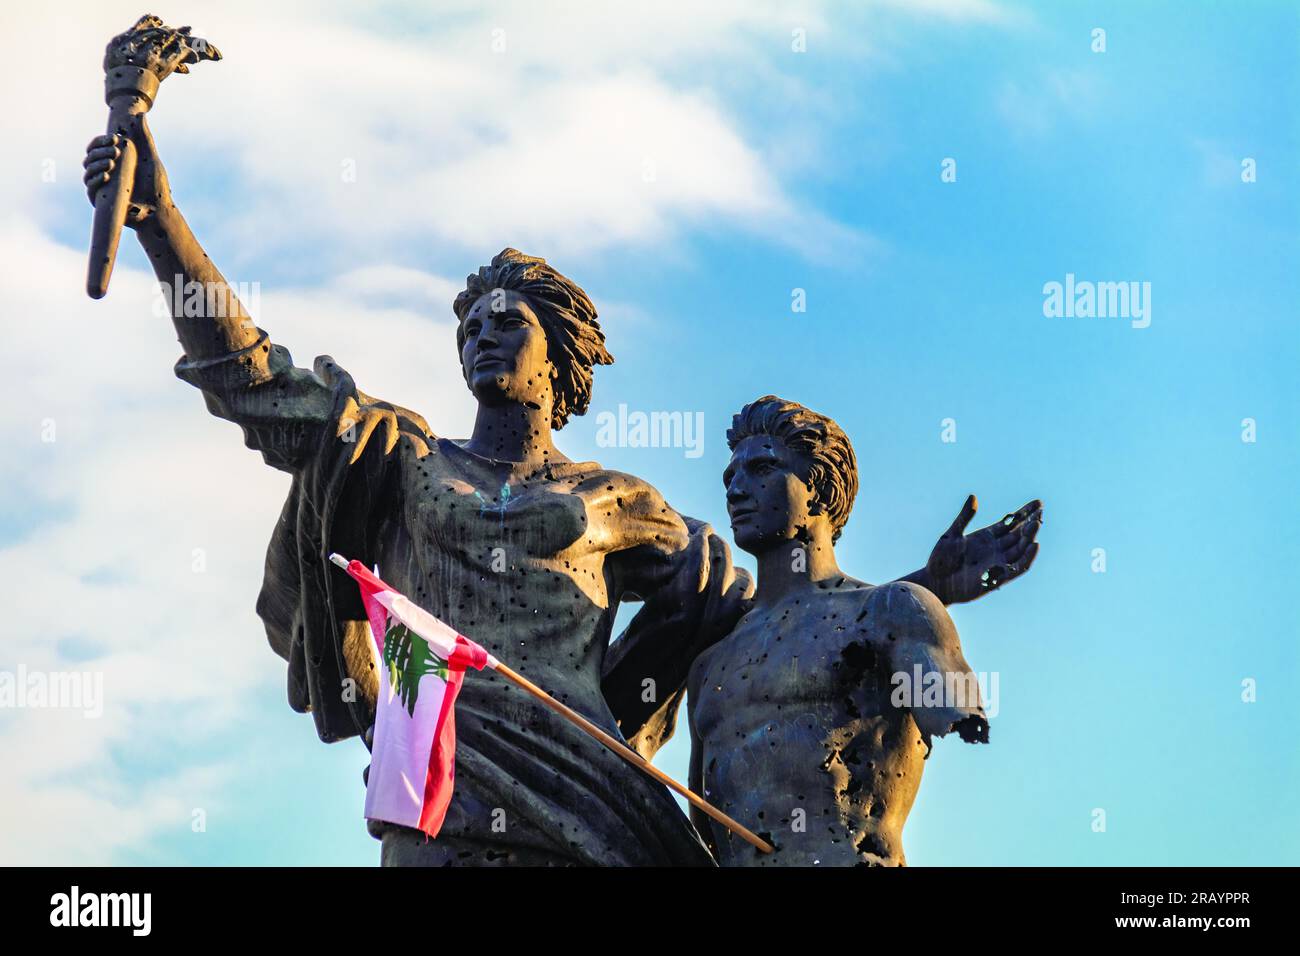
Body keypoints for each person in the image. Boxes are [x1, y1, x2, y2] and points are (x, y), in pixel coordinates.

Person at [685, 396, 1042, 865]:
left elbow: (951, 709)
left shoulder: (892, 610)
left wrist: (929, 594)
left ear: (818, 490)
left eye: (763, 469)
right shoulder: (711, 665)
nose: (736, 489)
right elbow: (703, 825)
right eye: (730, 477)